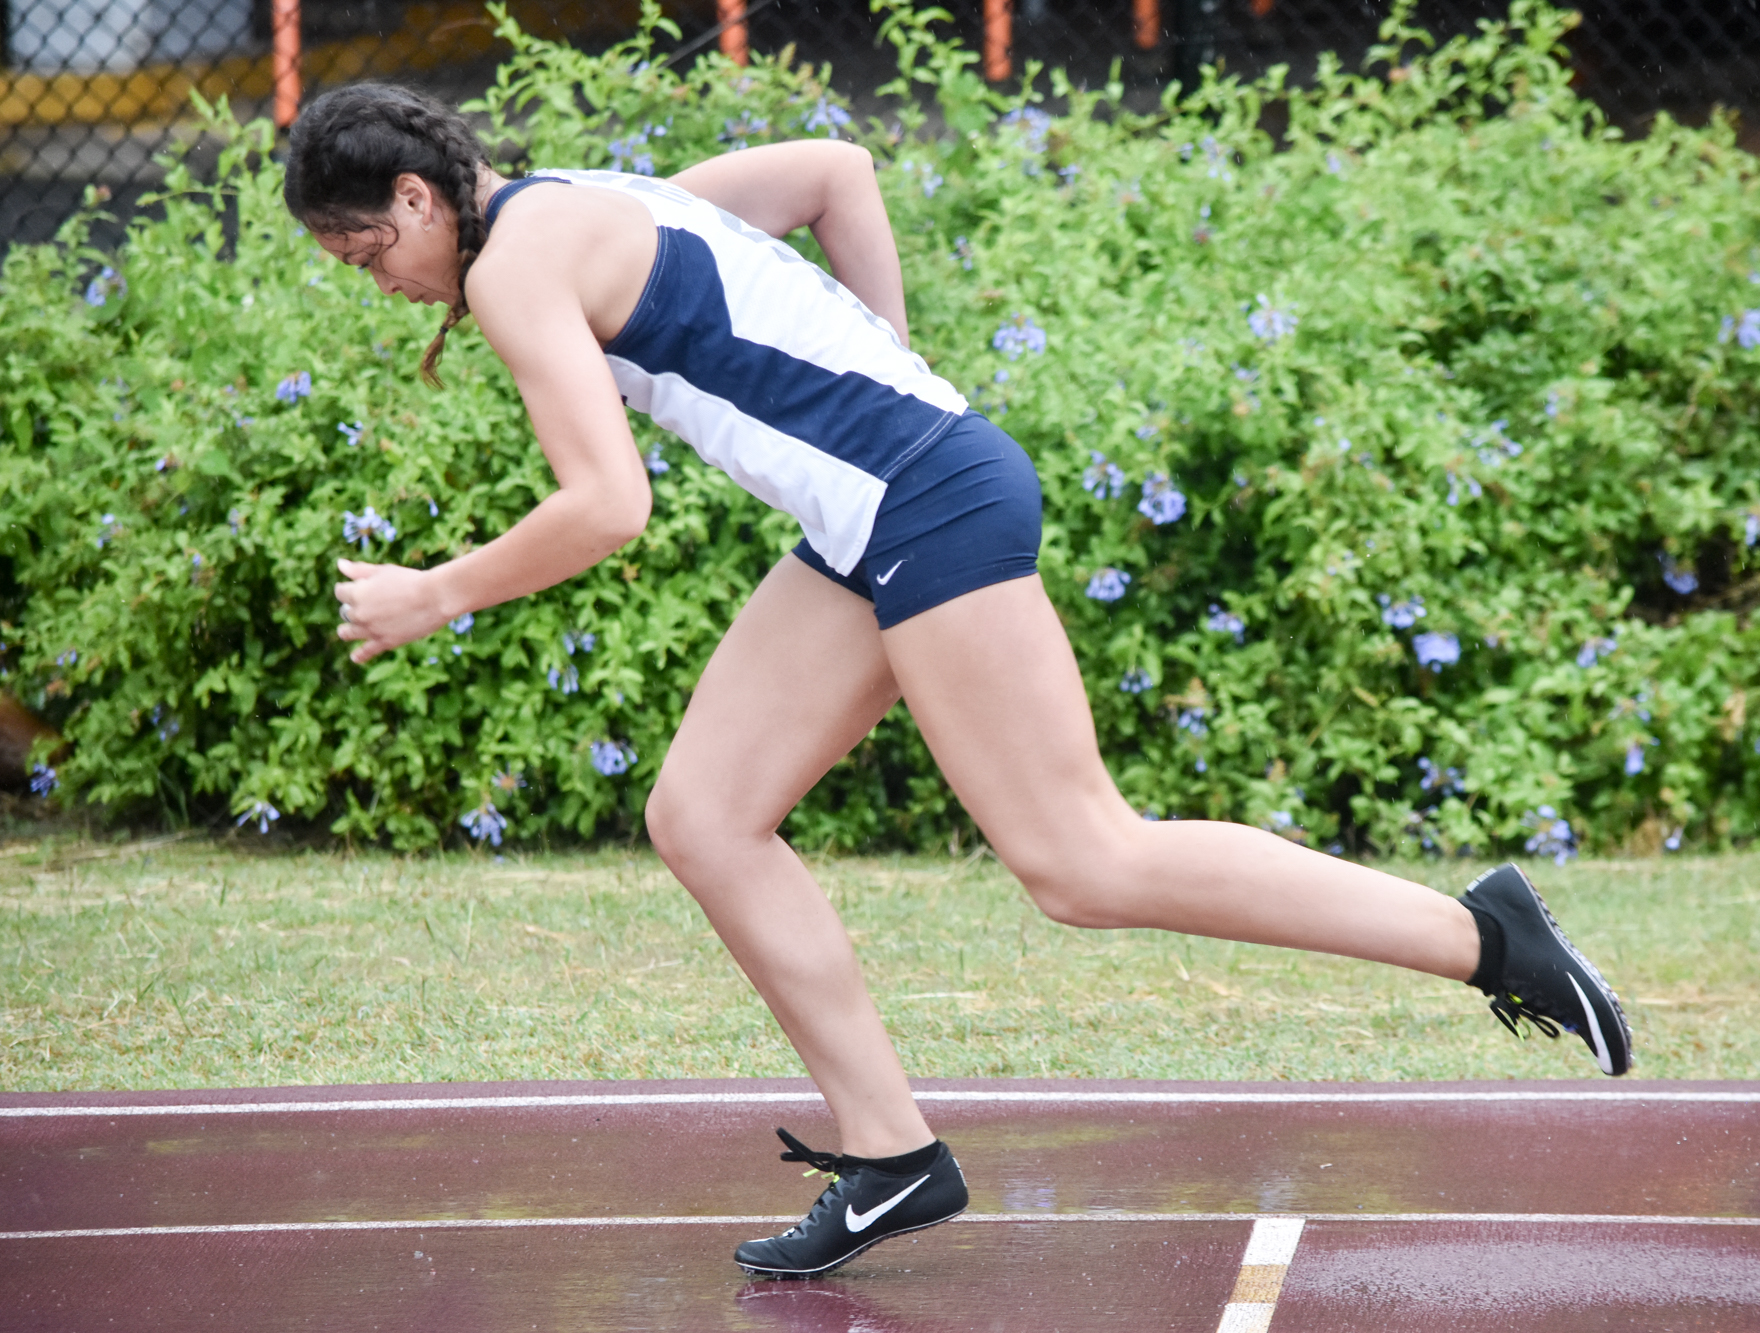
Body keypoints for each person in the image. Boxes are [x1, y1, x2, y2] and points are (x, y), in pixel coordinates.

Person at [286, 83, 1633, 1281]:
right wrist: (893, 368)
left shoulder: (519, 267)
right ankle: (891, 1153)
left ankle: (1487, 937)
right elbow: (838, 170)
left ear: (417, 196)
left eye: (370, 247)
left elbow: (609, 503)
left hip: (924, 496)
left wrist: (436, 591)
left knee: (1082, 862)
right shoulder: (584, 197)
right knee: (703, 814)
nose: (380, 278)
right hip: (877, 509)